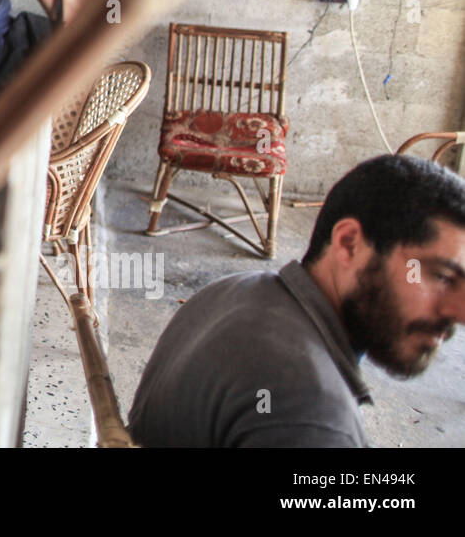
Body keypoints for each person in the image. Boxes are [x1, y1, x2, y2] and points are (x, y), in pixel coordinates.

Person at [127, 154, 465, 447]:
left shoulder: (234, 289)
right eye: (441, 277)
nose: (459, 313)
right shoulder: (312, 411)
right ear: (349, 244)